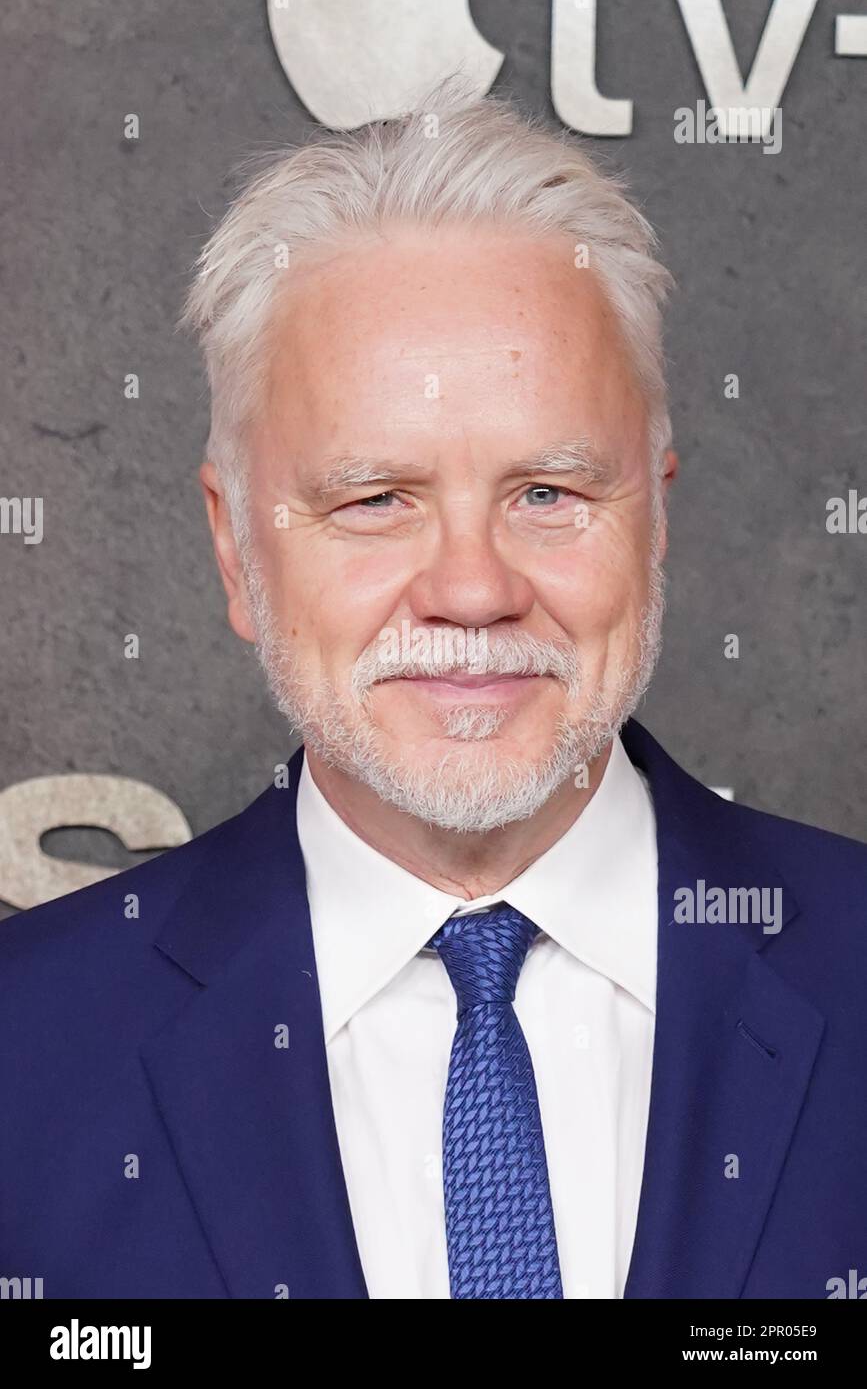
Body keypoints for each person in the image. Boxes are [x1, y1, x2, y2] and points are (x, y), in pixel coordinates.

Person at [1, 79, 865, 1300]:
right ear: (236, 546)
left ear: (658, 513)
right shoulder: (22, 1060)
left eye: (550, 493)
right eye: (375, 501)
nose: (472, 590)